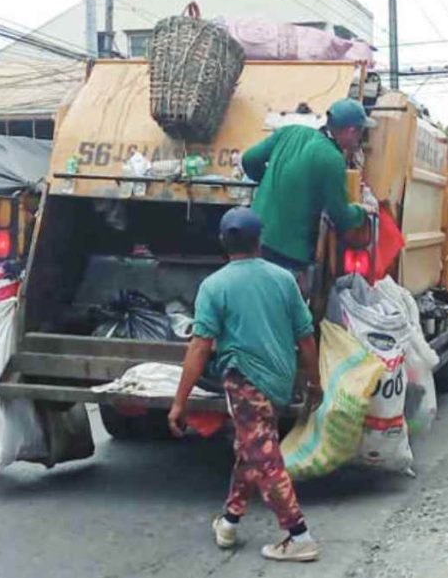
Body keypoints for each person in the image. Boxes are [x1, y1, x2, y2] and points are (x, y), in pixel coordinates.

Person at [168, 207, 324, 563]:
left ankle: (299, 535)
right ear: (259, 241)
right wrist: (313, 381)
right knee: (250, 446)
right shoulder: (284, 280)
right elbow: (306, 337)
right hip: (279, 380)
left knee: (262, 455)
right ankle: (230, 520)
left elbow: (200, 347)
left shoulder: (214, 286)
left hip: (245, 379)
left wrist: (180, 401)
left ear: (222, 242)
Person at [241, 98, 377, 294]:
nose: (359, 139)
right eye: (360, 132)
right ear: (350, 130)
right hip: (288, 254)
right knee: (281, 308)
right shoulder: (332, 159)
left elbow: (249, 159)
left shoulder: (289, 132)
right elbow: (340, 217)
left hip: (253, 238)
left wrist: (269, 181)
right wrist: (360, 211)